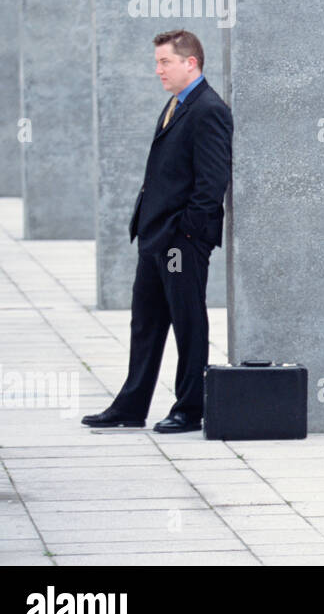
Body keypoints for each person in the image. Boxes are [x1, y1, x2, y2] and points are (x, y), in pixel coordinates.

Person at [82, 29, 233, 433]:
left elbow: (212, 182)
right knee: (145, 323)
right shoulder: (176, 104)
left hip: (180, 241)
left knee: (187, 320)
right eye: (157, 62)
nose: (158, 70)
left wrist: (187, 234)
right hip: (155, 237)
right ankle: (131, 406)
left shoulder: (208, 109)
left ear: (191, 63)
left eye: (165, 62)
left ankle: (190, 408)